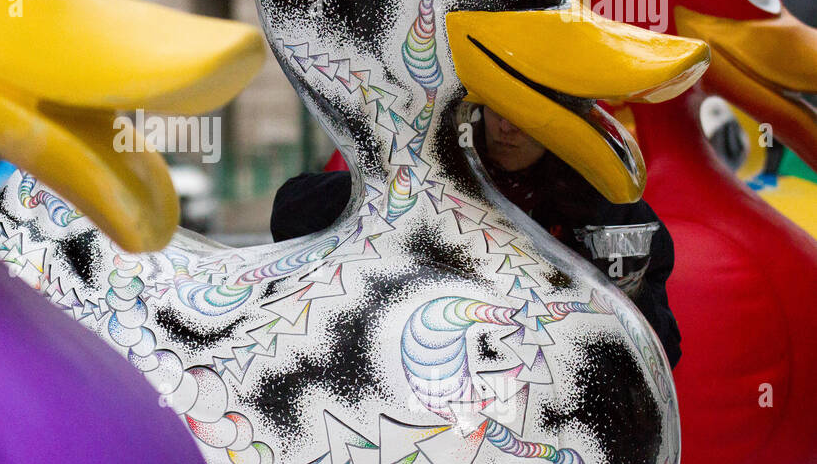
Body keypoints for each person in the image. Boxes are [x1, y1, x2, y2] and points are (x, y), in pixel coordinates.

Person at [271, 104, 682, 367]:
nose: (507, 128)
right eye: (498, 108)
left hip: (554, 407)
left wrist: (630, 290)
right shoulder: (440, 171)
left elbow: (665, 354)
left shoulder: (606, 210)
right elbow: (290, 214)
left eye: (527, 113)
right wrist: (403, 189)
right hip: (435, 390)